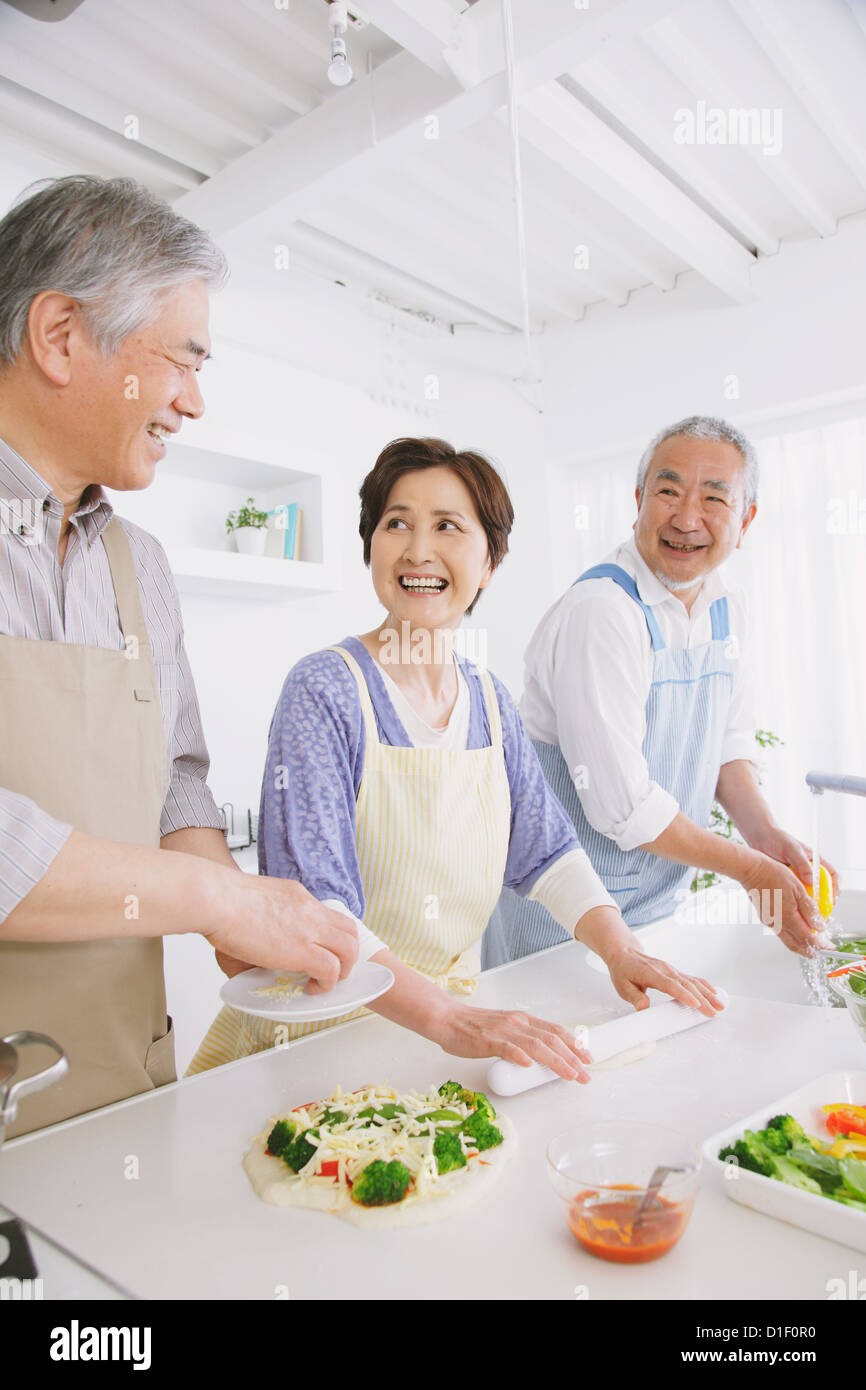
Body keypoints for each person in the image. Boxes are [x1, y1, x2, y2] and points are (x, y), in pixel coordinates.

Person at [0, 176, 360, 1137]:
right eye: (183, 361)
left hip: (114, 1079)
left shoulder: (140, 564)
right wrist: (215, 895)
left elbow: (177, 784)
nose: (194, 403)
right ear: (61, 336)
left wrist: (238, 913)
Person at [189, 438, 722, 1076]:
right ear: (371, 548)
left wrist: (622, 953)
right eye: (396, 524)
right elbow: (318, 914)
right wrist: (445, 1018)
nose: (418, 550)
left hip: (448, 1035)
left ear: (489, 561)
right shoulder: (327, 690)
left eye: (447, 526)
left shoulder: (490, 703)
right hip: (324, 1038)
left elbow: (549, 853)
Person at [483, 416, 835, 971]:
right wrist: (748, 868)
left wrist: (764, 834)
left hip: (654, 910)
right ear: (638, 501)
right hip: (563, 924)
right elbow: (623, 806)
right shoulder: (602, 612)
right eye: (667, 491)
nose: (686, 517)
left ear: (746, 519)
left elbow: (726, 744)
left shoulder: (725, 609)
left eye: (714, 498)